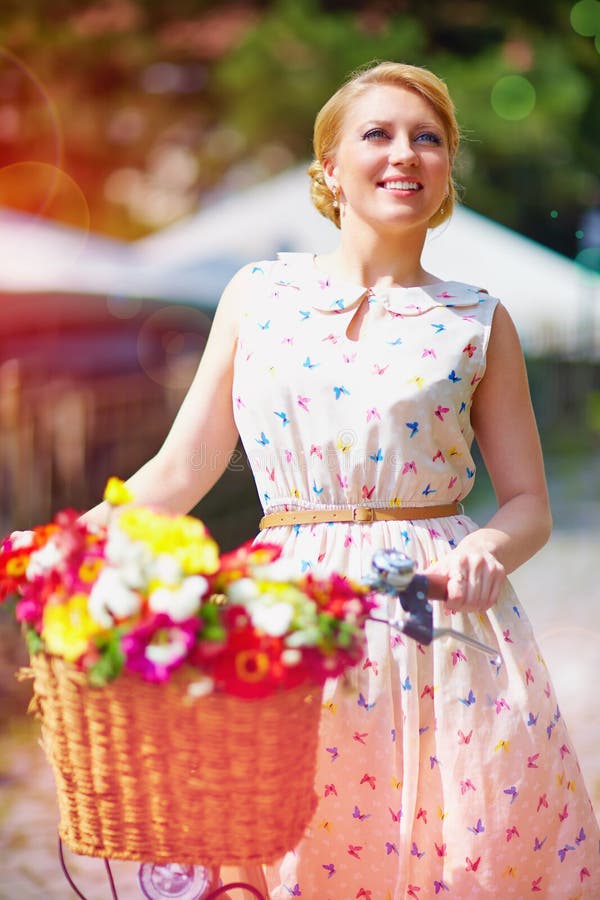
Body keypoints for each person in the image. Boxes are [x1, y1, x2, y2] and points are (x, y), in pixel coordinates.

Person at [84, 62, 600, 898]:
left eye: (428, 138)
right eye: (378, 134)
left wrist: (490, 551)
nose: (405, 153)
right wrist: (63, 550)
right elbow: (183, 468)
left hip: (434, 621)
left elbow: (530, 504)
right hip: (283, 618)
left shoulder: (478, 319)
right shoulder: (258, 294)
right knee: (289, 845)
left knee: (439, 853)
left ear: (446, 169)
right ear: (328, 168)